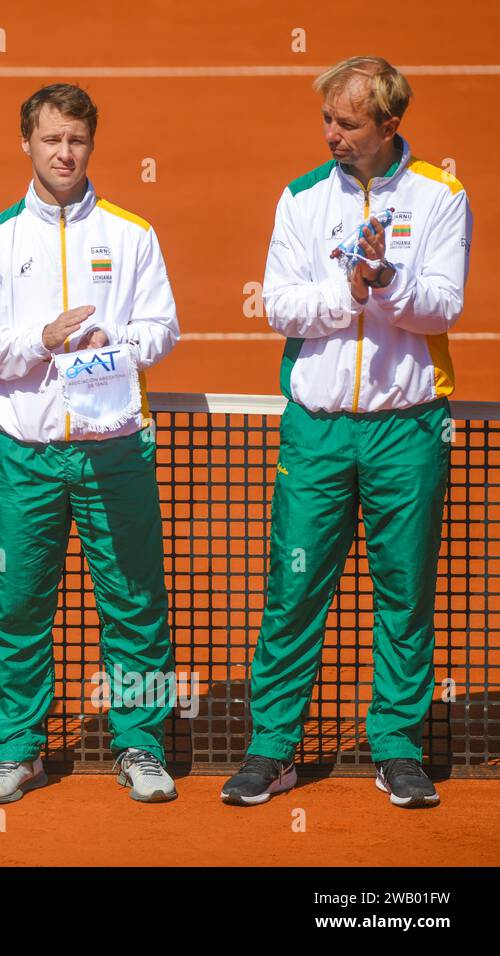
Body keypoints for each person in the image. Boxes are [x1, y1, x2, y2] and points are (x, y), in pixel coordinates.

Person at [222, 57, 471, 809]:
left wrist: (390, 285)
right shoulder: (301, 199)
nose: (332, 134)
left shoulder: (440, 196)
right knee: (294, 590)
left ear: (389, 124)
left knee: (405, 592)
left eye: (348, 123)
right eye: (328, 120)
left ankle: (396, 747)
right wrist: (348, 290)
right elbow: (279, 305)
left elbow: (446, 305)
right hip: (319, 431)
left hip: (408, 428)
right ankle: (273, 747)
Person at [0, 83, 181, 804]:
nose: (64, 153)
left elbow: (164, 328)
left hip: (115, 450)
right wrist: (39, 340)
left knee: (136, 602)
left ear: (91, 143)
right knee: (16, 604)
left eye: (76, 139)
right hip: (25, 454)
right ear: (27, 143)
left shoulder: (132, 234)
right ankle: (17, 749)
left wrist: (123, 341)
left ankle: (140, 744)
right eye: (50, 139)